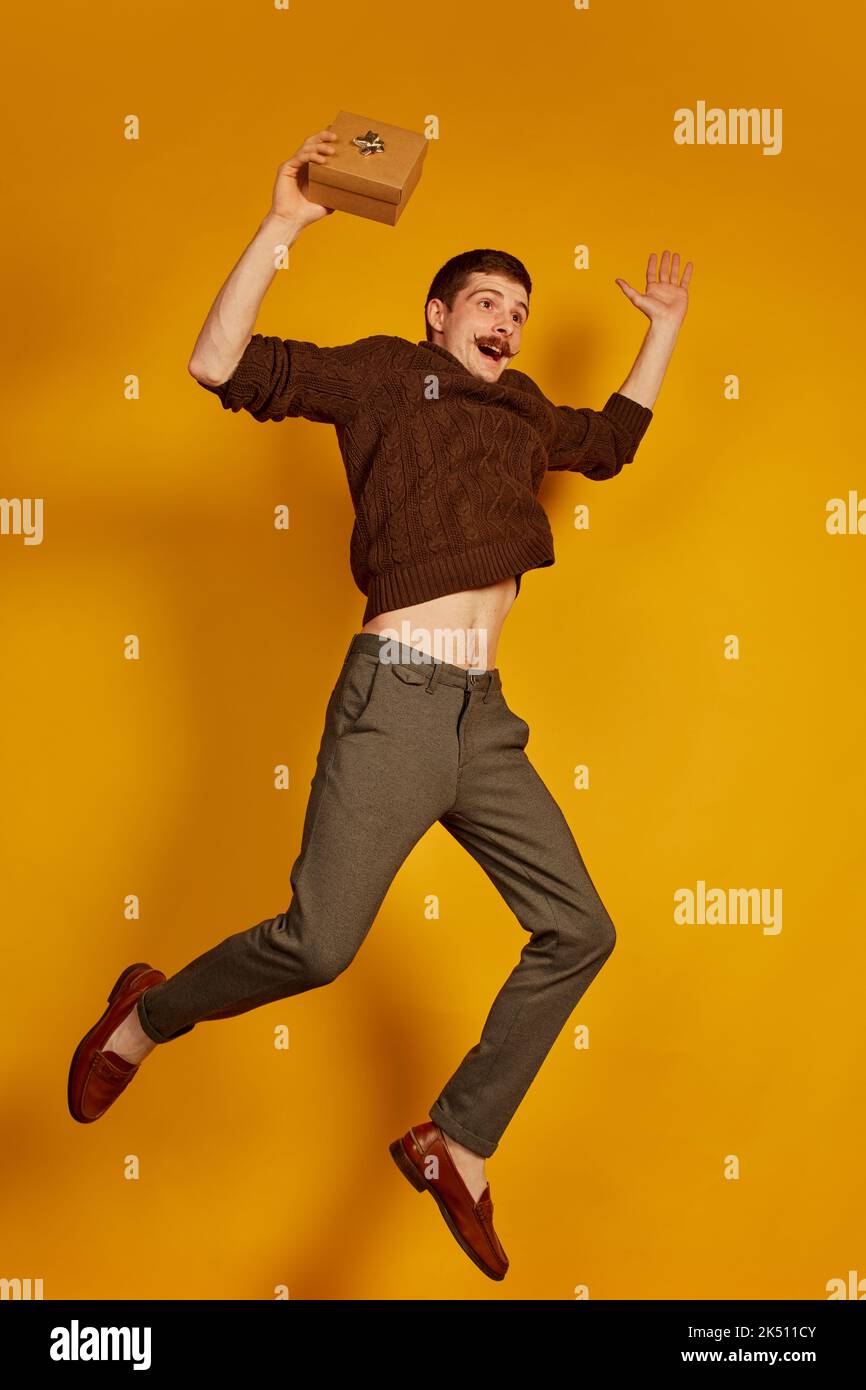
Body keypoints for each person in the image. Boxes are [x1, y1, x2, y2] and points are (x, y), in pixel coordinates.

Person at [68, 128, 692, 1281]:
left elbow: (610, 445)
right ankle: (145, 1017)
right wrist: (284, 227)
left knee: (580, 930)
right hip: (394, 701)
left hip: (483, 721)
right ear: (437, 312)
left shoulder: (524, 411)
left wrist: (657, 334)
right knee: (318, 944)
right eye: (486, 302)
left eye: (518, 306)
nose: (506, 320)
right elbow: (220, 367)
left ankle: (456, 1139)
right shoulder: (380, 375)